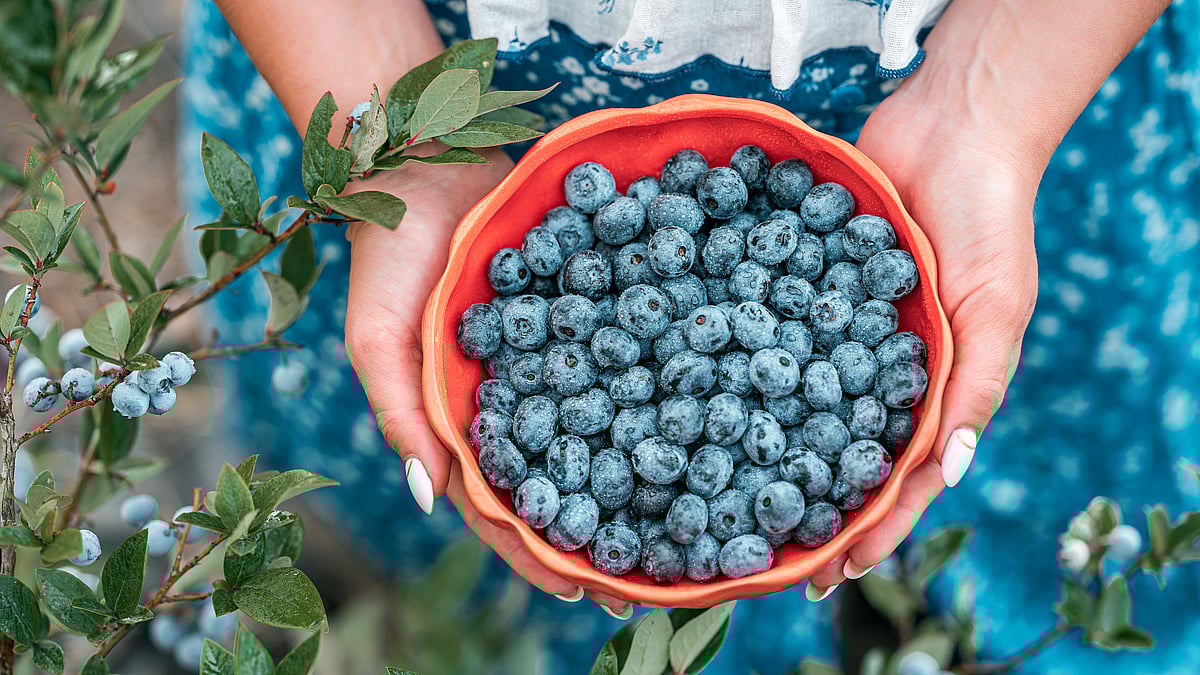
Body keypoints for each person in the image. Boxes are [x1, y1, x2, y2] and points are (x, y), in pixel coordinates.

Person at [181, 0, 1200, 672]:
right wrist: (393, 142)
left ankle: (1018, 619)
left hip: (1026, 49)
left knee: (1050, 437)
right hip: (415, 64)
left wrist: (993, 101)